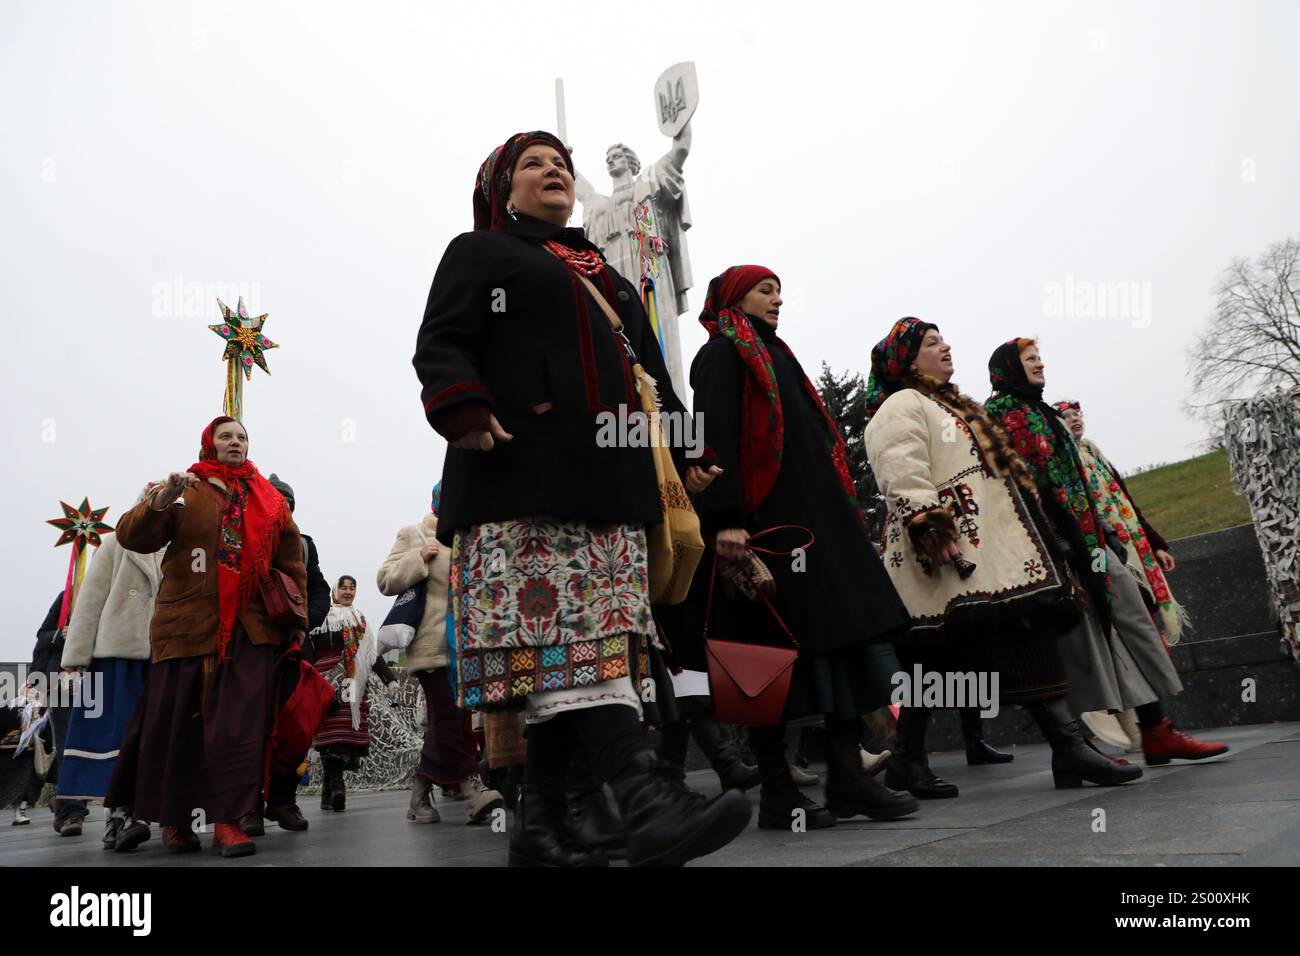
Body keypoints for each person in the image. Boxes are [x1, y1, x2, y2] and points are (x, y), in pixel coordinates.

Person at [414, 129, 750, 867]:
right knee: (569, 644)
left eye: (561, 162)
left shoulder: (604, 272)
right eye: (533, 164)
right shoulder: (482, 254)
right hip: (520, 476)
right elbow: (440, 341)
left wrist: (690, 448)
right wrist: (462, 405)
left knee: (588, 644)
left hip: (613, 485)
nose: (554, 171)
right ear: (501, 191)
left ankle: (541, 827)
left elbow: (653, 370)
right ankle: (645, 798)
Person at [683, 266, 919, 828]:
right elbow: (710, 436)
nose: (778, 299)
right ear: (735, 297)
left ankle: (847, 780)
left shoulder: (776, 353)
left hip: (820, 524)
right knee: (763, 663)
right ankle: (778, 793)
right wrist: (725, 518)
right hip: (770, 528)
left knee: (840, 646)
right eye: (765, 289)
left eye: (779, 290)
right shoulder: (721, 355)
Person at [862, 318, 1136, 792]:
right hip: (948, 550)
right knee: (941, 651)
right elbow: (899, 469)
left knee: (981, 644)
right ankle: (1065, 750)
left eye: (943, 338)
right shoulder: (902, 404)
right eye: (931, 343)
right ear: (906, 359)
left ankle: (1061, 751)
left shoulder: (950, 406)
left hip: (991, 553)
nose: (945, 346)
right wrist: (929, 526)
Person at [985, 340, 1228, 768]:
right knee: (1082, 642)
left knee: (1130, 617)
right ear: (1010, 368)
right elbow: (1024, 489)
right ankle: (1080, 748)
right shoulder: (1006, 416)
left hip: (1089, 542)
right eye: (1029, 359)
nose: (1040, 363)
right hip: (1055, 549)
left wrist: (1106, 537)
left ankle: (1157, 730)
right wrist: (1059, 542)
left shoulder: (1043, 413)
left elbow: (1079, 482)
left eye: (1040, 356)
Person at [106, 415, 309, 857]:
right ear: (208, 444)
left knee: (239, 730)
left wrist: (295, 623)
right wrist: (161, 500)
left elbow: (292, 562)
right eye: (225, 436)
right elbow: (131, 536)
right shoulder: (186, 489)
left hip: (249, 633)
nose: (234, 442)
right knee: (178, 726)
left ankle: (229, 822)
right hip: (188, 631)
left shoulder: (270, 500)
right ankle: (177, 821)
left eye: (241, 437)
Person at [376, 483, 503, 825]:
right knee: (447, 716)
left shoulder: (473, 537)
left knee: (450, 720)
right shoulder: (415, 533)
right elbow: (385, 580)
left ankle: (418, 797)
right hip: (432, 647)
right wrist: (418, 558)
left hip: (468, 645)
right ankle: (472, 787)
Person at [56, 488, 164, 850]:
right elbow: (89, 602)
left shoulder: (177, 548)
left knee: (149, 738)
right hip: (115, 656)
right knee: (113, 737)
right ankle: (117, 816)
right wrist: (74, 660)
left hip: (160, 657)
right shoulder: (114, 544)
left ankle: (136, 814)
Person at [239, 472, 332, 836]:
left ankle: (281, 799)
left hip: (295, 647)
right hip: (251, 647)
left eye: (287, 504)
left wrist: (303, 619)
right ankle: (247, 806)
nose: (281, 509)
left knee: (293, 728)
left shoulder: (304, 545)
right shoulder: (241, 539)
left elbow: (319, 591)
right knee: (249, 727)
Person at [310, 575, 399, 812]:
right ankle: (336, 786)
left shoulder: (360, 621)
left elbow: (370, 655)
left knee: (342, 736)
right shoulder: (321, 616)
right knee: (329, 735)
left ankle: (330, 790)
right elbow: (308, 650)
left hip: (352, 687)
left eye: (352, 588)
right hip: (325, 683)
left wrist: (389, 679)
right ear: (334, 591)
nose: (348, 592)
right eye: (344, 588)